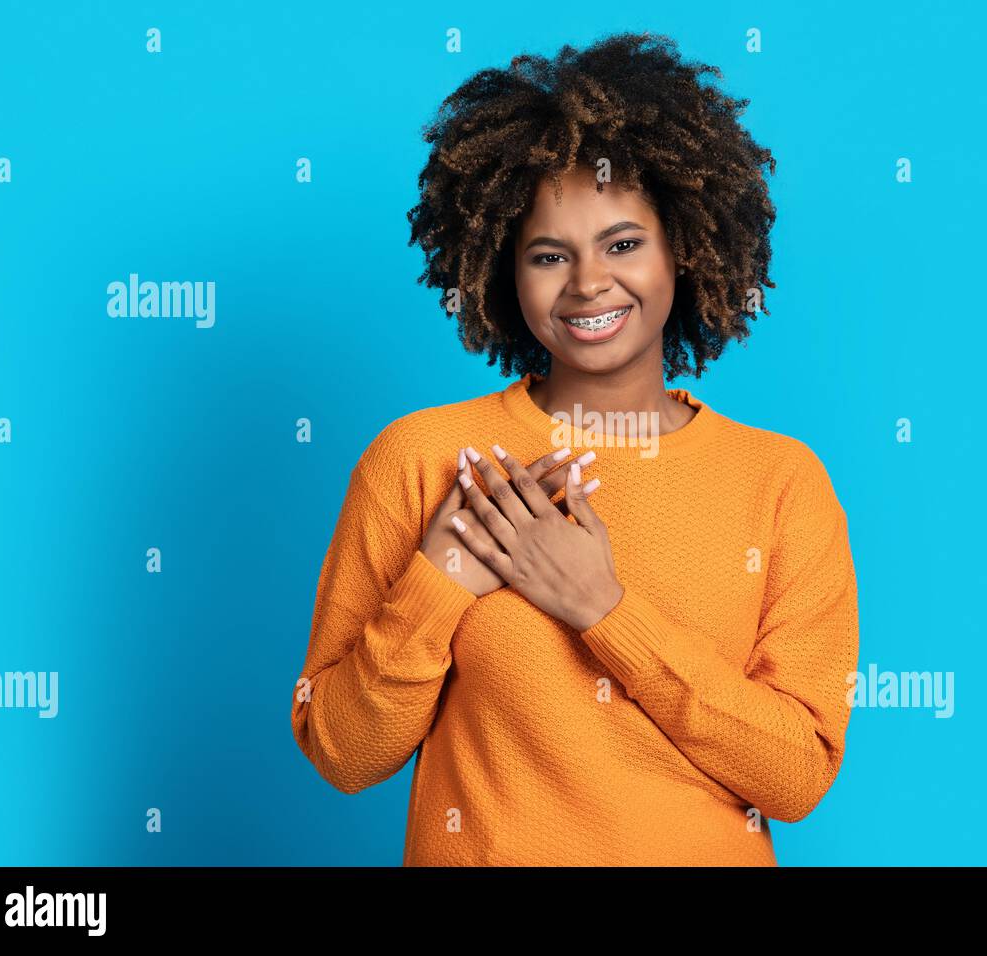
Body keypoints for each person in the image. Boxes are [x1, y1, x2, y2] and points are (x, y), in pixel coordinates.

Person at [291, 31, 859, 866]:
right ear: (500, 273)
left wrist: (603, 610)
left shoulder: (781, 482)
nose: (589, 284)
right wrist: (438, 581)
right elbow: (342, 753)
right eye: (549, 255)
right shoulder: (423, 458)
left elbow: (797, 775)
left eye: (623, 244)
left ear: (685, 249)